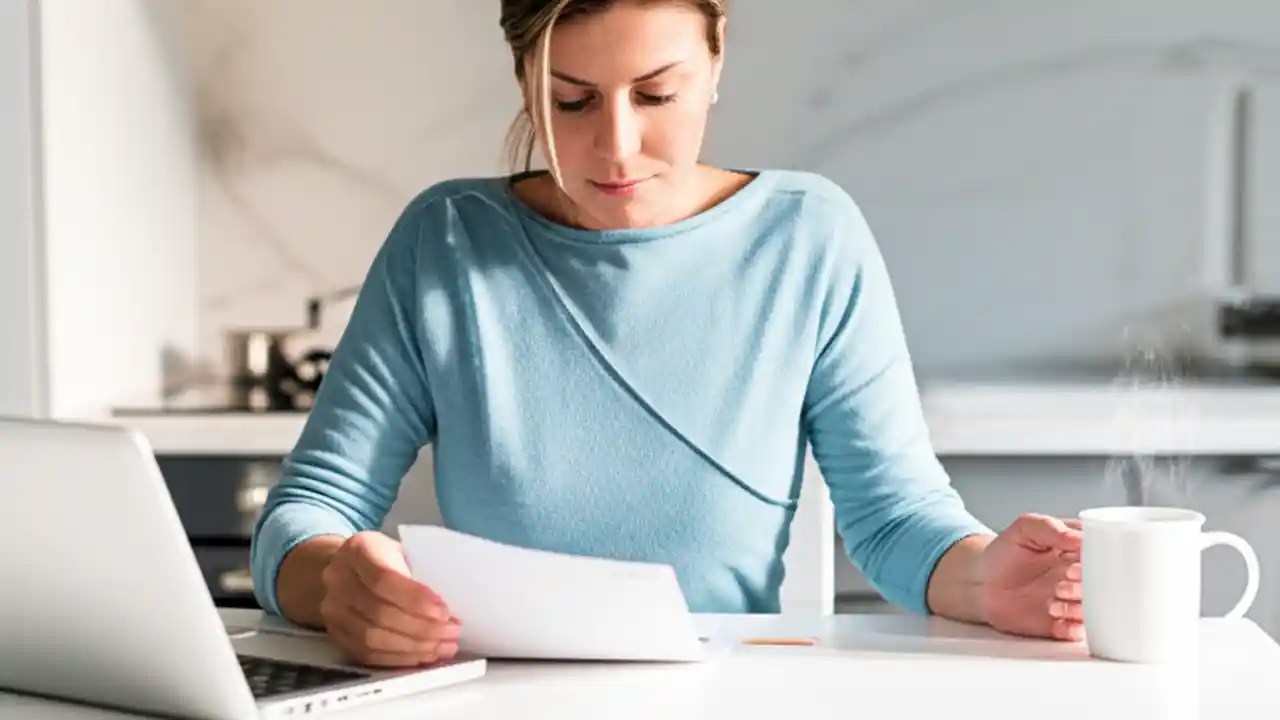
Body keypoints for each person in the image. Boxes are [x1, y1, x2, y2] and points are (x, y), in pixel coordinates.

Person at [249, 0, 1085, 668]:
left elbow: (896, 518)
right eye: (570, 100)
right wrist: (334, 586)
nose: (616, 148)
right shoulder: (446, 241)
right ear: (522, 77)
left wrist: (988, 581)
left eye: (656, 94)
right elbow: (307, 512)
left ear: (716, 56)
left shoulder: (809, 237)